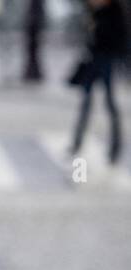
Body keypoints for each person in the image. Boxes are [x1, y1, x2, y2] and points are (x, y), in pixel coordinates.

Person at [71, 0, 126, 163]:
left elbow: (118, 40)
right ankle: (77, 142)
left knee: (110, 104)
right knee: (85, 103)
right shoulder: (92, 12)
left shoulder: (114, 13)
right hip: (93, 60)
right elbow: (88, 38)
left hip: (107, 61)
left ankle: (115, 147)